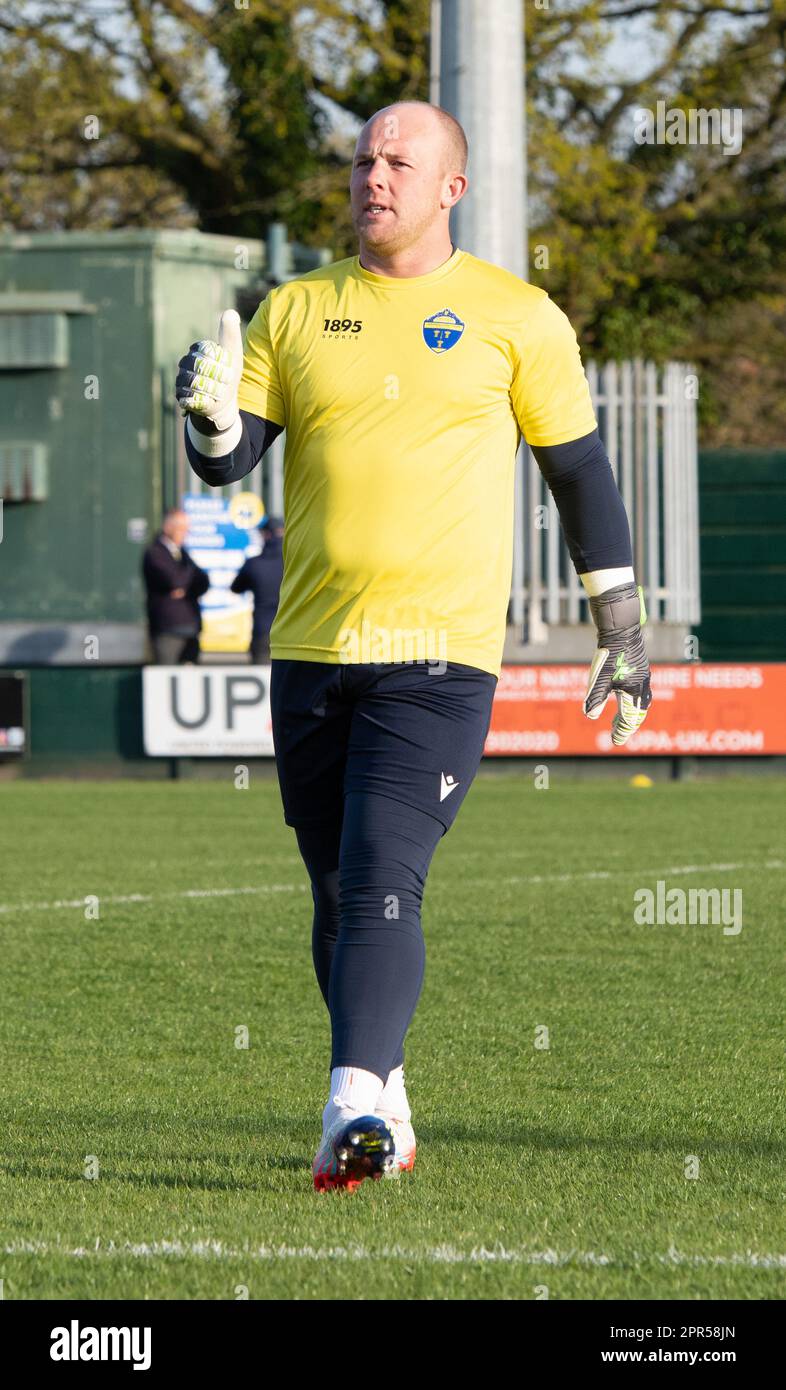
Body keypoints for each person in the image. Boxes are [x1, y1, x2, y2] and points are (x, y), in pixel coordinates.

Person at [175, 101, 653, 1191]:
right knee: (339, 894)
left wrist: (618, 622)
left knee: (387, 875)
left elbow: (577, 473)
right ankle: (384, 1092)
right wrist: (206, 424)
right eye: (361, 159)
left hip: (438, 657)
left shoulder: (515, 315)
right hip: (308, 650)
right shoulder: (292, 311)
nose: (373, 175)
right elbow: (229, 457)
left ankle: (348, 1105)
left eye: (399, 160)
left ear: (452, 188)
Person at [142, 508, 210, 664]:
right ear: (168, 527)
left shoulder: (183, 554)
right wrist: (187, 580)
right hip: (167, 628)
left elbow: (203, 581)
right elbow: (174, 580)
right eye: (181, 528)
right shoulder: (155, 552)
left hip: (191, 626)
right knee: (166, 674)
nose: (185, 533)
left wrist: (185, 588)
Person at [230, 516, 284, 663]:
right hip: (290, 631)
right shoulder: (296, 563)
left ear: (265, 535)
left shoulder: (254, 563)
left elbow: (236, 587)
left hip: (263, 630)